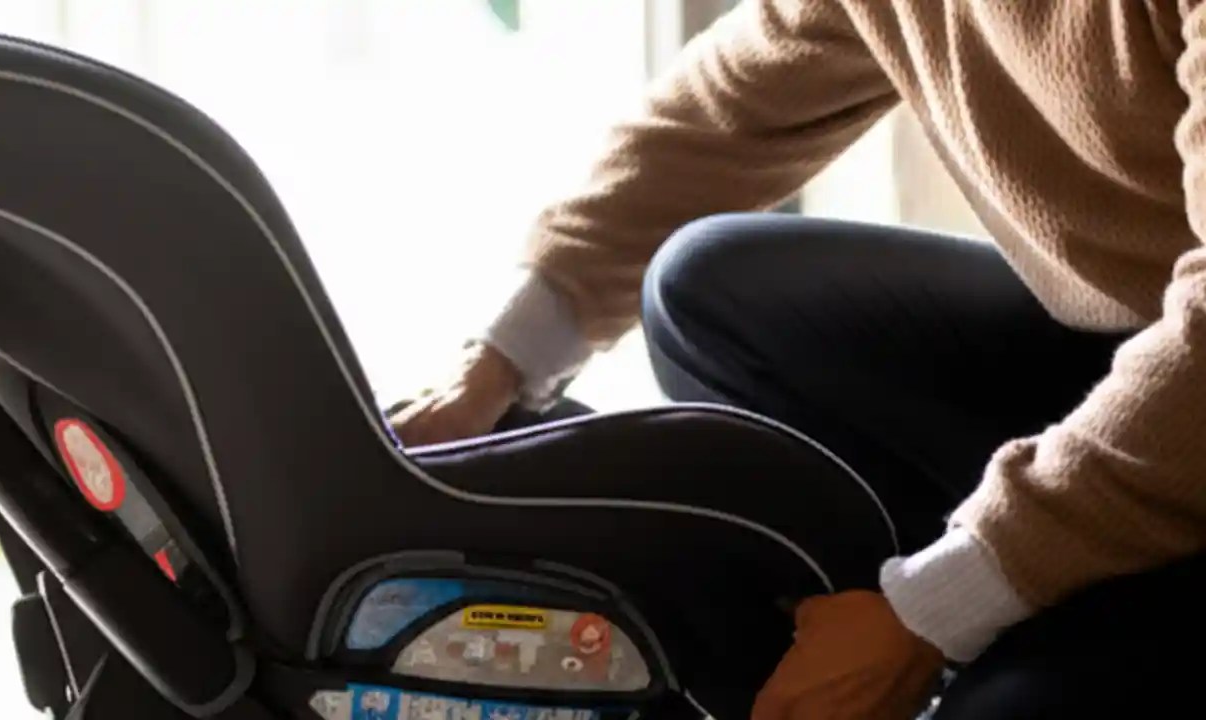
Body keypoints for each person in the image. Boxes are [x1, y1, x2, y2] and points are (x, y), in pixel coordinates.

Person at [389, 1, 1206, 717]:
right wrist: (491, 369)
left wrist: (932, 612)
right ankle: (969, 602)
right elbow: (722, 116)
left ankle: (1027, 605)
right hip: (1137, 345)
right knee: (702, 288)